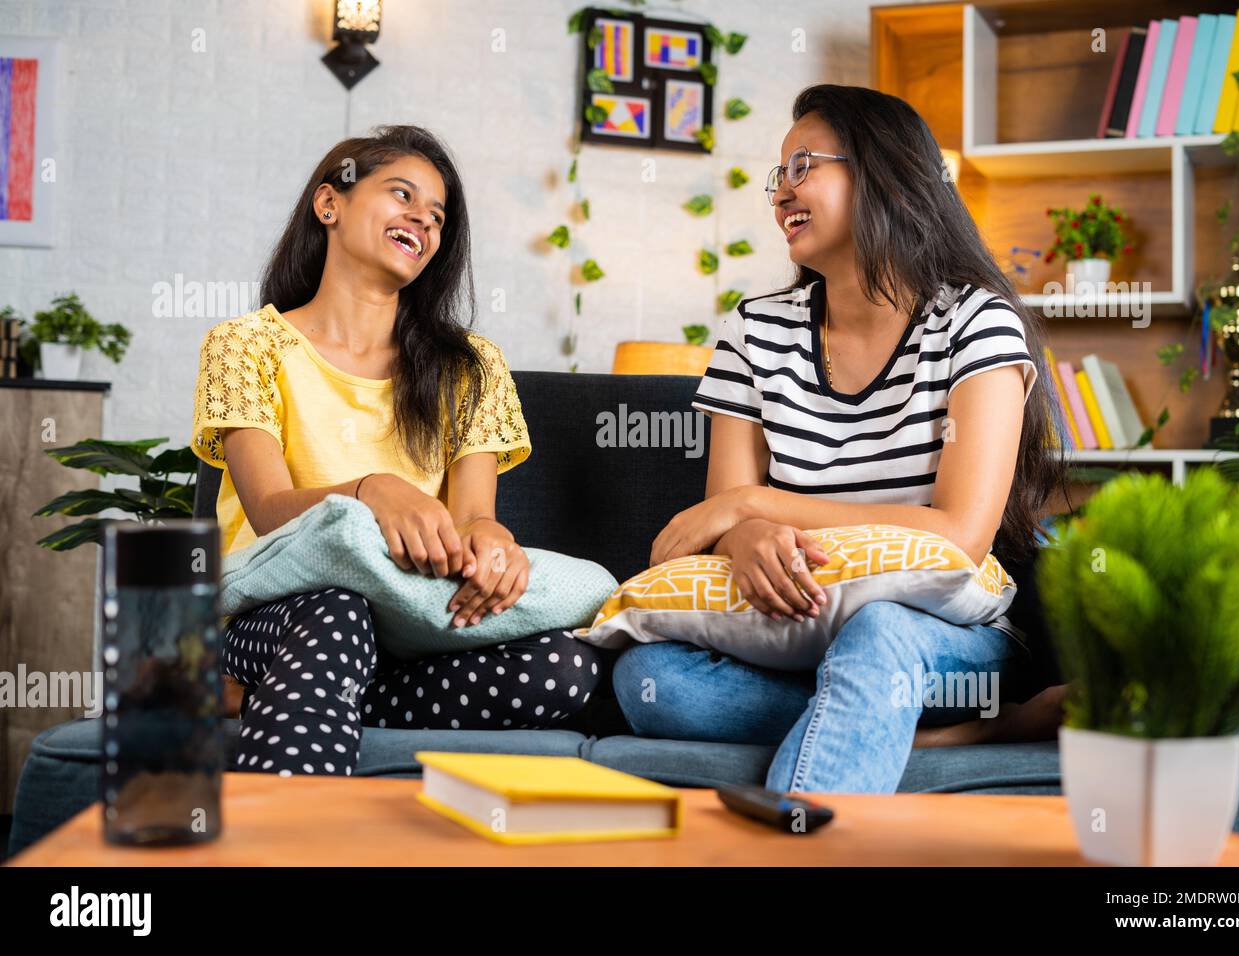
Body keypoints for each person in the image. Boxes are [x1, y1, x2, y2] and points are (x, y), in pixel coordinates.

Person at [611, 86, 1069, 793]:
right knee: (654, 679)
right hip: (794, 624)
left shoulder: (977, 323)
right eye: (778, 176)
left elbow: (960, 536)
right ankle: (966, 731)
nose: (781, 191)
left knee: (879, 634)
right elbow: (727, 513)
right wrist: (747, 537)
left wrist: (756, 508)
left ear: (880, 171)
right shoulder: (754, 331)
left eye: (803, 166)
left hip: (944, 637)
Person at [191, 126, 600, 777]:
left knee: (563, 669)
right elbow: (268, 510)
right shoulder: (246, 345)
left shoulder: (473, 366)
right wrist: (371, 488)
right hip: (275, 609)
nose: (423, 220)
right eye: (401, 194)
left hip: (410, 618)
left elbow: (473, 515)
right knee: (335, 613)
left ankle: (258, 697)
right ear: (330, 204)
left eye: (437, 215)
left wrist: (492, 543)